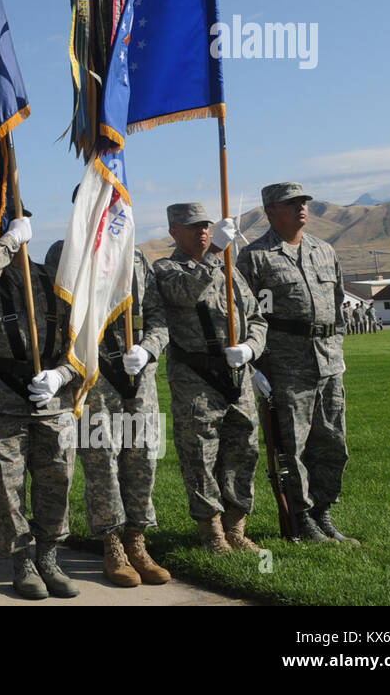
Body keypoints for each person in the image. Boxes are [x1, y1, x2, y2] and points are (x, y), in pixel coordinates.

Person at [0, 210, 79, 600]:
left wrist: (62, 374)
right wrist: (7, 243)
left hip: (52, 403)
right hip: (2, 403)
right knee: (8, 491)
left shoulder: (49, 279)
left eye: (20, 224)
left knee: (55, 484)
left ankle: (48, 556)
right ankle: (21, 562)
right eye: (8, 225)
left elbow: (79, 340)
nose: (17, 232)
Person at [45, 235, 171, 588]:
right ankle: (112, 543)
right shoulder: (64, 253)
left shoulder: (136, 256)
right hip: (93, 373)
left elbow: (159, 318)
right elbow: (59, 313)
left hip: (137, 376)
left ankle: (137, 539)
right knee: (102, 460)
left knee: (143, 456)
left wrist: (149, 349)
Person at [237, 182, 357, 544]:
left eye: (304, 202)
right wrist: (255, 366)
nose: (302, 208)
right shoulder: (256, 257)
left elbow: (337, 306)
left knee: (332, 440)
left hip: (328, 362)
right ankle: (301, 518)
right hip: (285, 366)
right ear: (271, 211)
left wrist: (337, 349)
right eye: (292, 204)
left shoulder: (324, 251)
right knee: (293, 446)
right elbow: (248, 317)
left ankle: (324, 512)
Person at [153, 203, 267, 555]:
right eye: (193, 227)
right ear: (174, 231)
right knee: (200, 454)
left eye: (206, 226)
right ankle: (211, 530)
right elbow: (187, 292)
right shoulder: (166, 269)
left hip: (237, 375)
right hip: (196, 378)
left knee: (243, 449)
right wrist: (216, 250)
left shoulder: (230, 269)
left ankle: (236, 524)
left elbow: (257, 316)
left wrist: (251, 348)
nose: (203, 231)